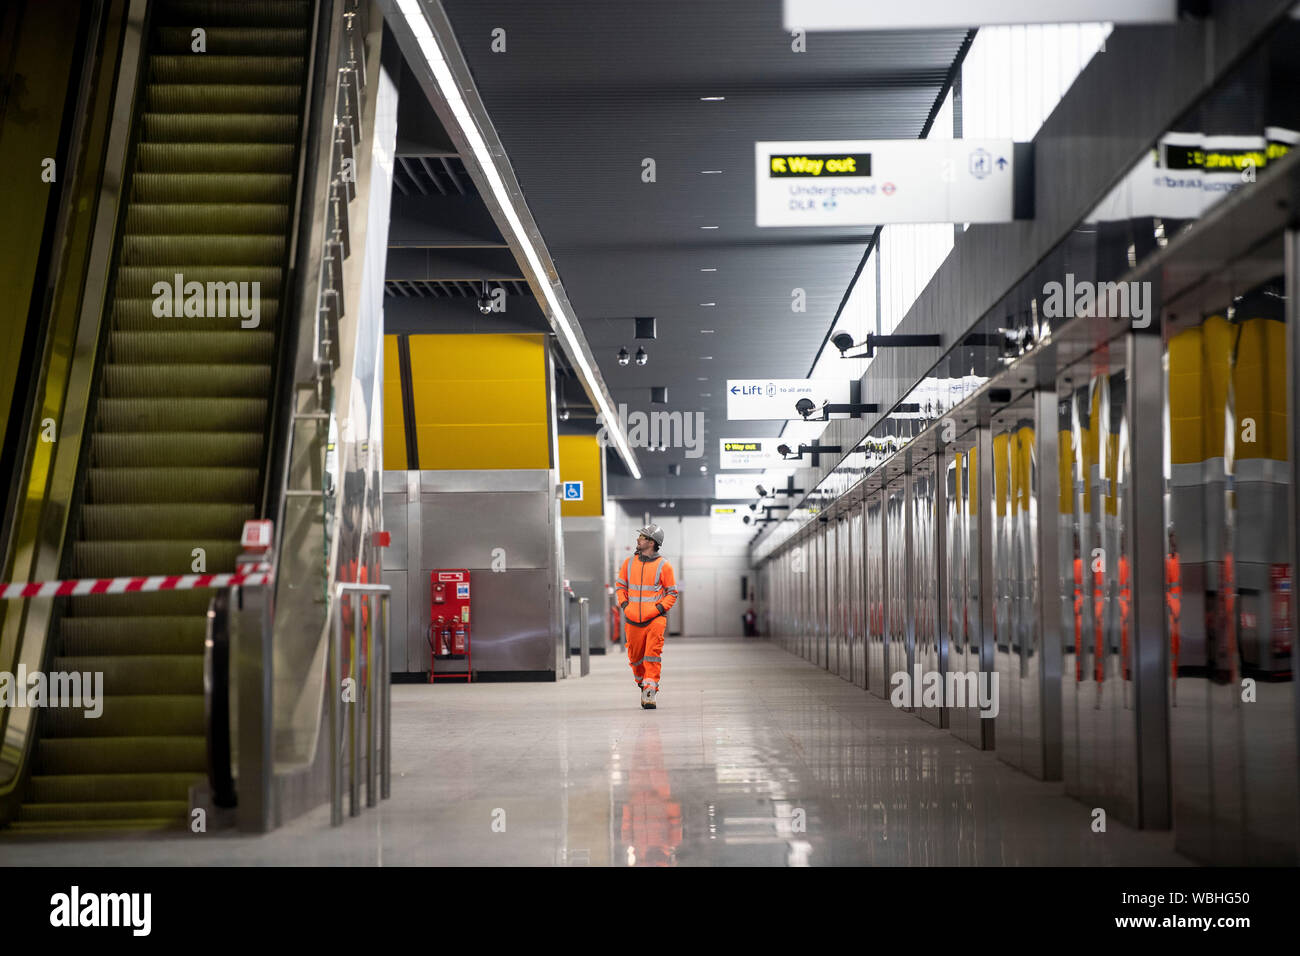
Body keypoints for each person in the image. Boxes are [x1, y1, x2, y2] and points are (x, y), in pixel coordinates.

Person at [615, 524, 678, 709]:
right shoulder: (628, 563)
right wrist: (625, 605)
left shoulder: (664, 566)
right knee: (635, 658)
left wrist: (659, 608)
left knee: (652, 655)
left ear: (651, 542)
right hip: (632, 619)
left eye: (642, 537)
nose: (638, 539)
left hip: (655, 619)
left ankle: (650, 692)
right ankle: (643, 683)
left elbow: (672, 593)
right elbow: (620, 587)